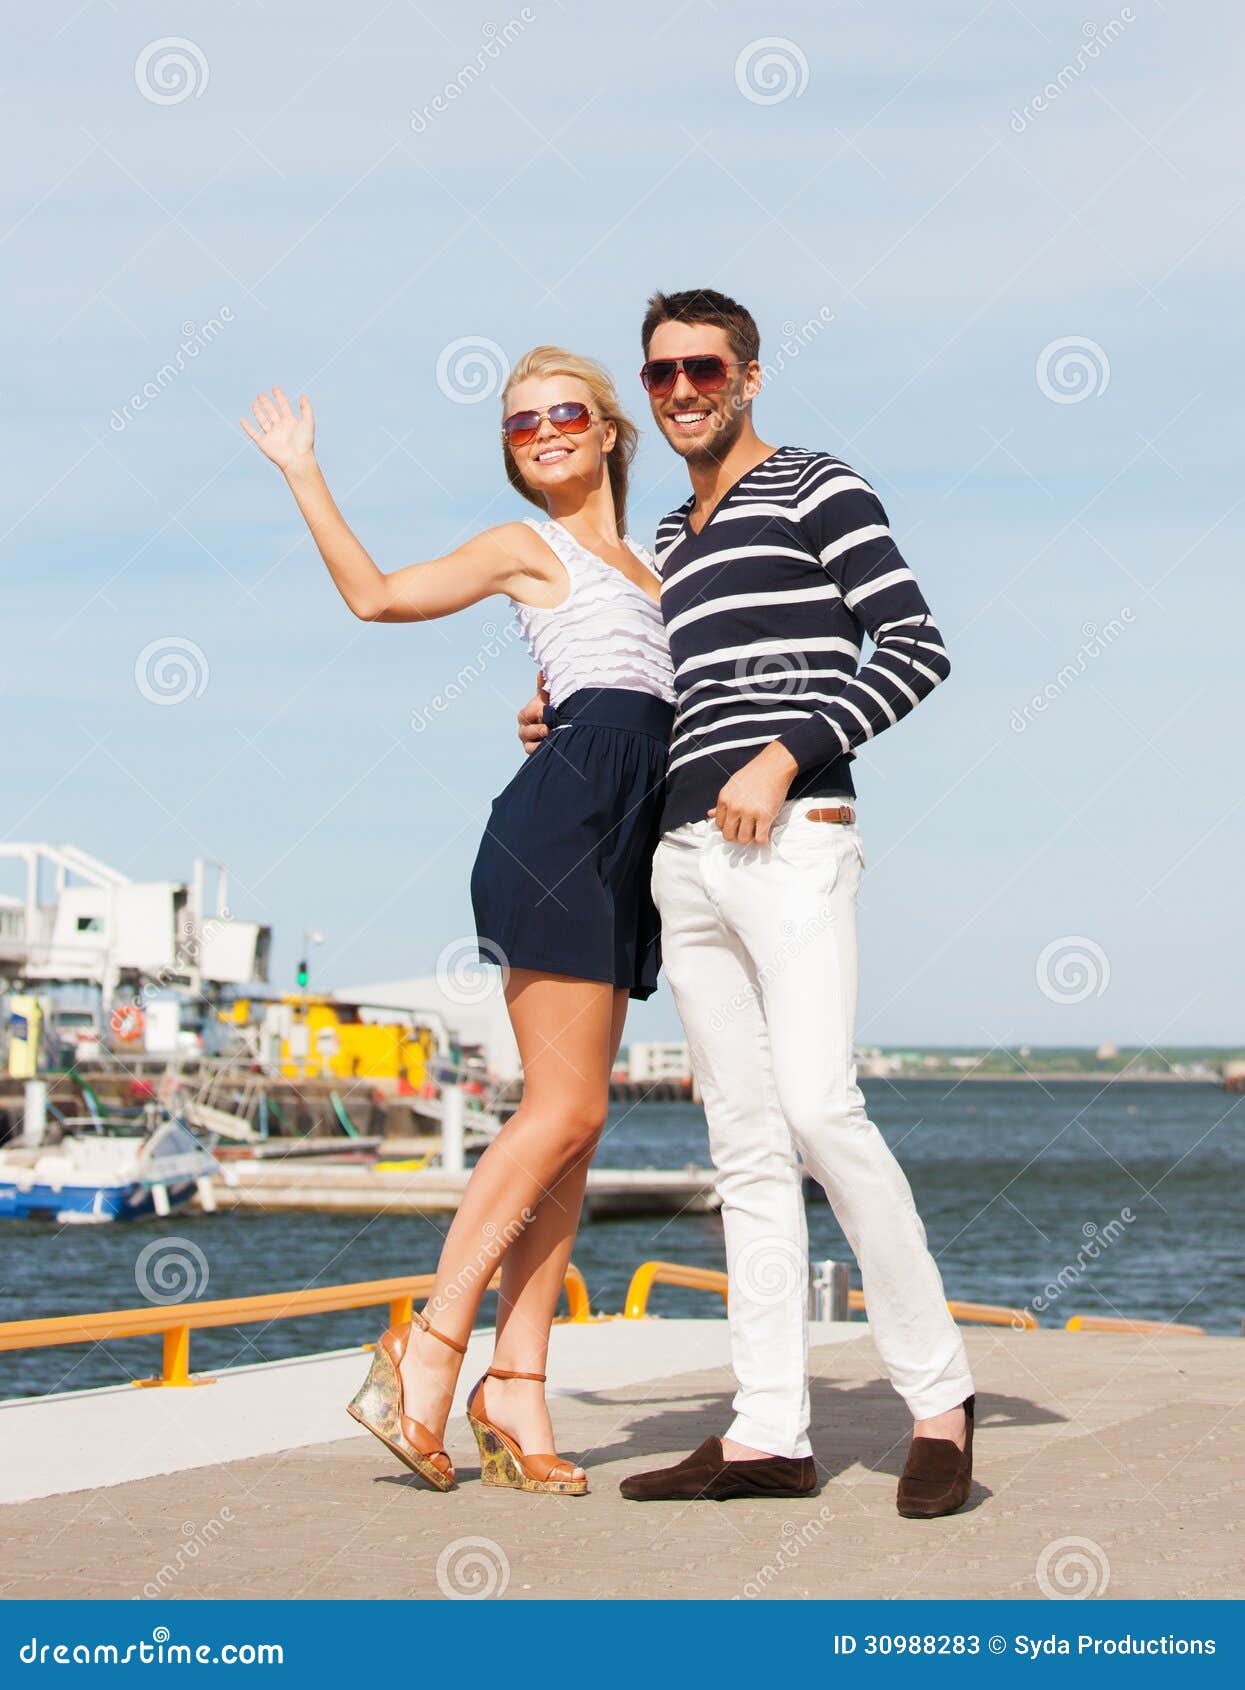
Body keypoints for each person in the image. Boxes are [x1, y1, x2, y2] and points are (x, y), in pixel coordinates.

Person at [518, 289, 976, 1516]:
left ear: (750, 375)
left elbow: (917, 645)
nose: (679, 390)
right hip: (684, 857)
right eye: (659, 374)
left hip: (797, 835)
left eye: (702, 367)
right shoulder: (666, 537)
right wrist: (567, 720)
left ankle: (940, 1397)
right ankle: (769, 1430)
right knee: (744, 1149)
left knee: (824, 1110)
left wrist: (787, 756)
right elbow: (673, 689)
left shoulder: (818, 484)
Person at [240, 346, 675, 1494]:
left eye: (563, 413)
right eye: (521, 425)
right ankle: (429, 1344)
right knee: (565, 1104)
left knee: (577, 1134)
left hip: (631, 847)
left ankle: (519, 1388)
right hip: (557, 835)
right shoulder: (526, 548)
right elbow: (378, 596)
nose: (543, 434)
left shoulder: (661, 563)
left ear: (611, 429)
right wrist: (303, 471)